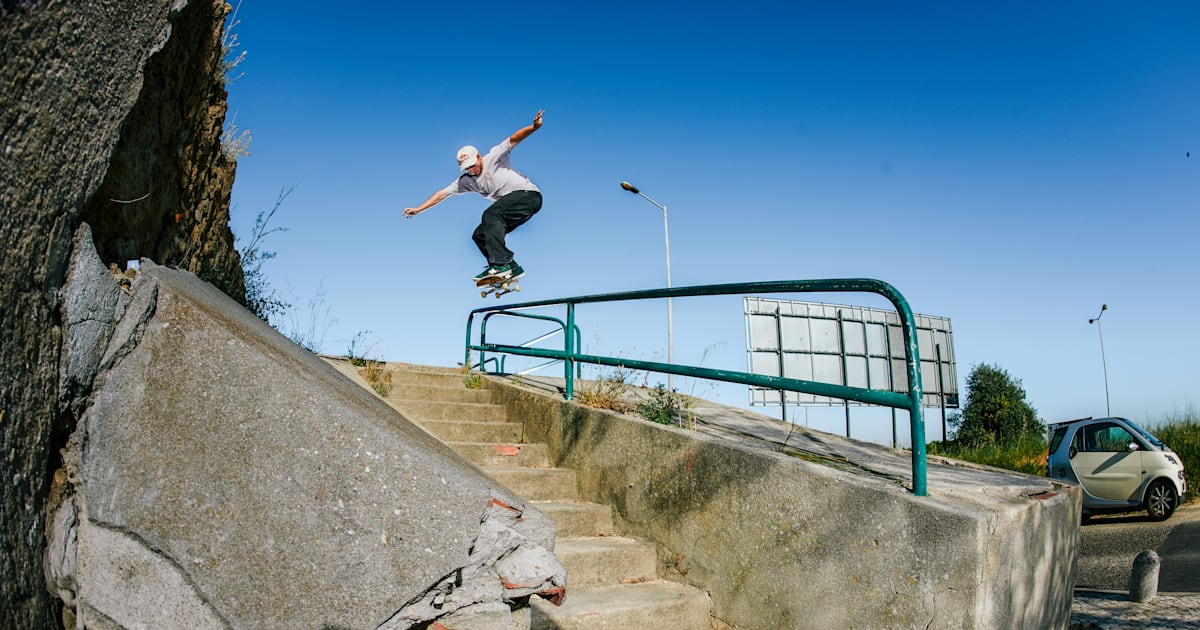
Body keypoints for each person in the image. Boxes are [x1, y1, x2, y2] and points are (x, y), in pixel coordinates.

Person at [404, 110, 545, 282]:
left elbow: (514, 139)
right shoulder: (466, 181)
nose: (471, 170)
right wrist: (419, 209)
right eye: (467, 168)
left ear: (479, 157)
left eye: (472, 165)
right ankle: (511, 268)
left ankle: (500, 265)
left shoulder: (493, 156)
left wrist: (534, 127)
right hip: (514, 207)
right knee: (479, 234)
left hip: (529, 196)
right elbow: (442, 194)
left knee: (491, 214)